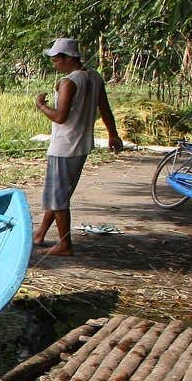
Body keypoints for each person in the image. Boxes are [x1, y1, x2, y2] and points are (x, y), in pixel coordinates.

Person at [33, 37, 124, 256]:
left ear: (67, 58)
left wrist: (41, 106)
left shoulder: (68, 82)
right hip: (81, 145)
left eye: (56, 60)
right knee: (59, 193)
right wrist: (113, 134)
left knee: (58, 196)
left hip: (64, 147)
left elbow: (60, 117)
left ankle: (65, 244)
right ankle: (40, 234)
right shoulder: (94, 77)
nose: (54, 64)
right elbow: (105, 109)